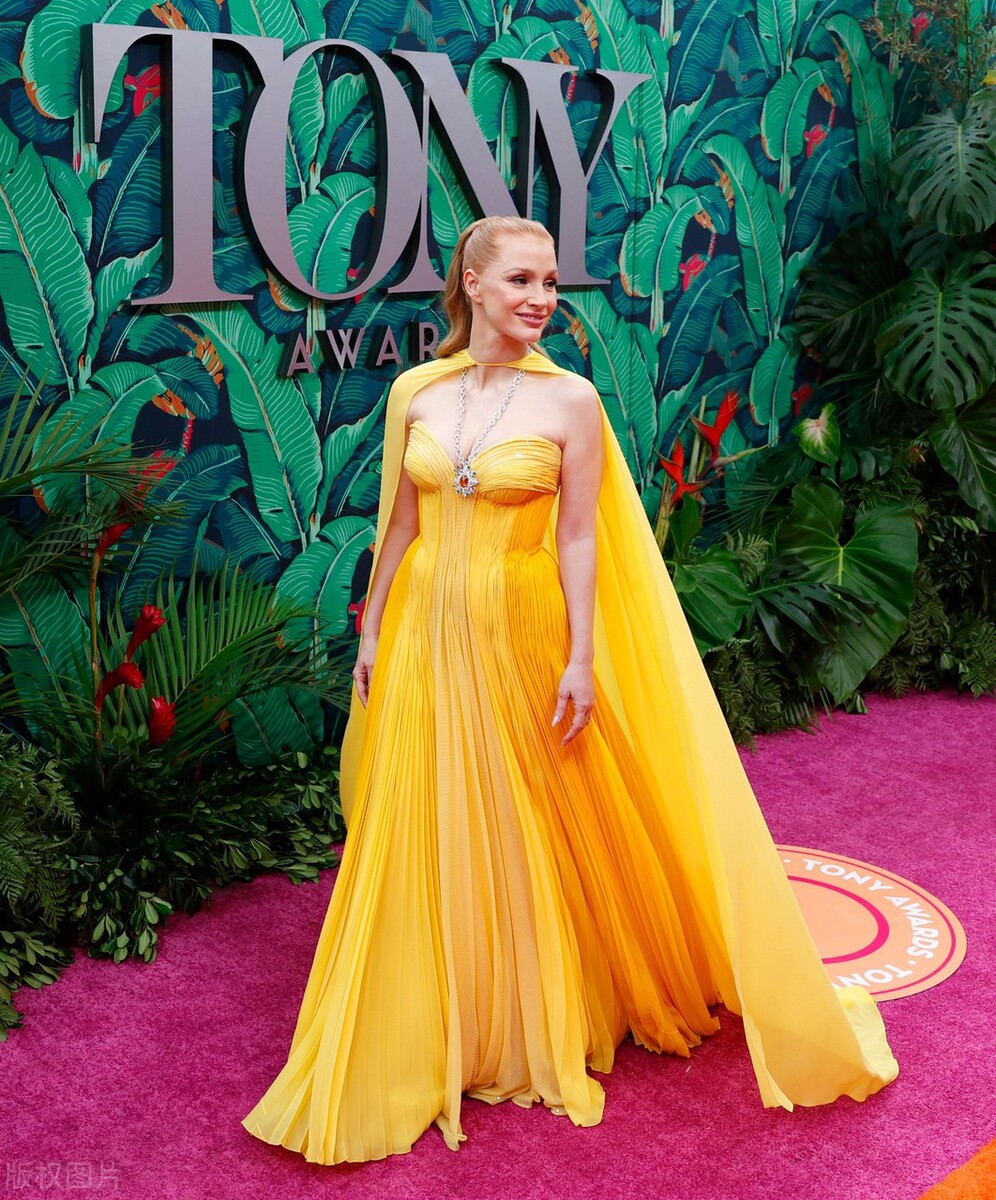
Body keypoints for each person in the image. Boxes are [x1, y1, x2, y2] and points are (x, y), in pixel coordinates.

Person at [241, 215, 898, 1165]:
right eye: (520, 280)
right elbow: (401, 524)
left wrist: (582, 656)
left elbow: (580, 535)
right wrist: (373, 625)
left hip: (522, 629)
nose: (542, 299)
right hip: (425, 630)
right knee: (428, 809)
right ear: (472, 285)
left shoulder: (572, 402)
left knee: (529, 812)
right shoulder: (415, 393)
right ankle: (440, 1002)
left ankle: (532, 999)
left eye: (550, 282)